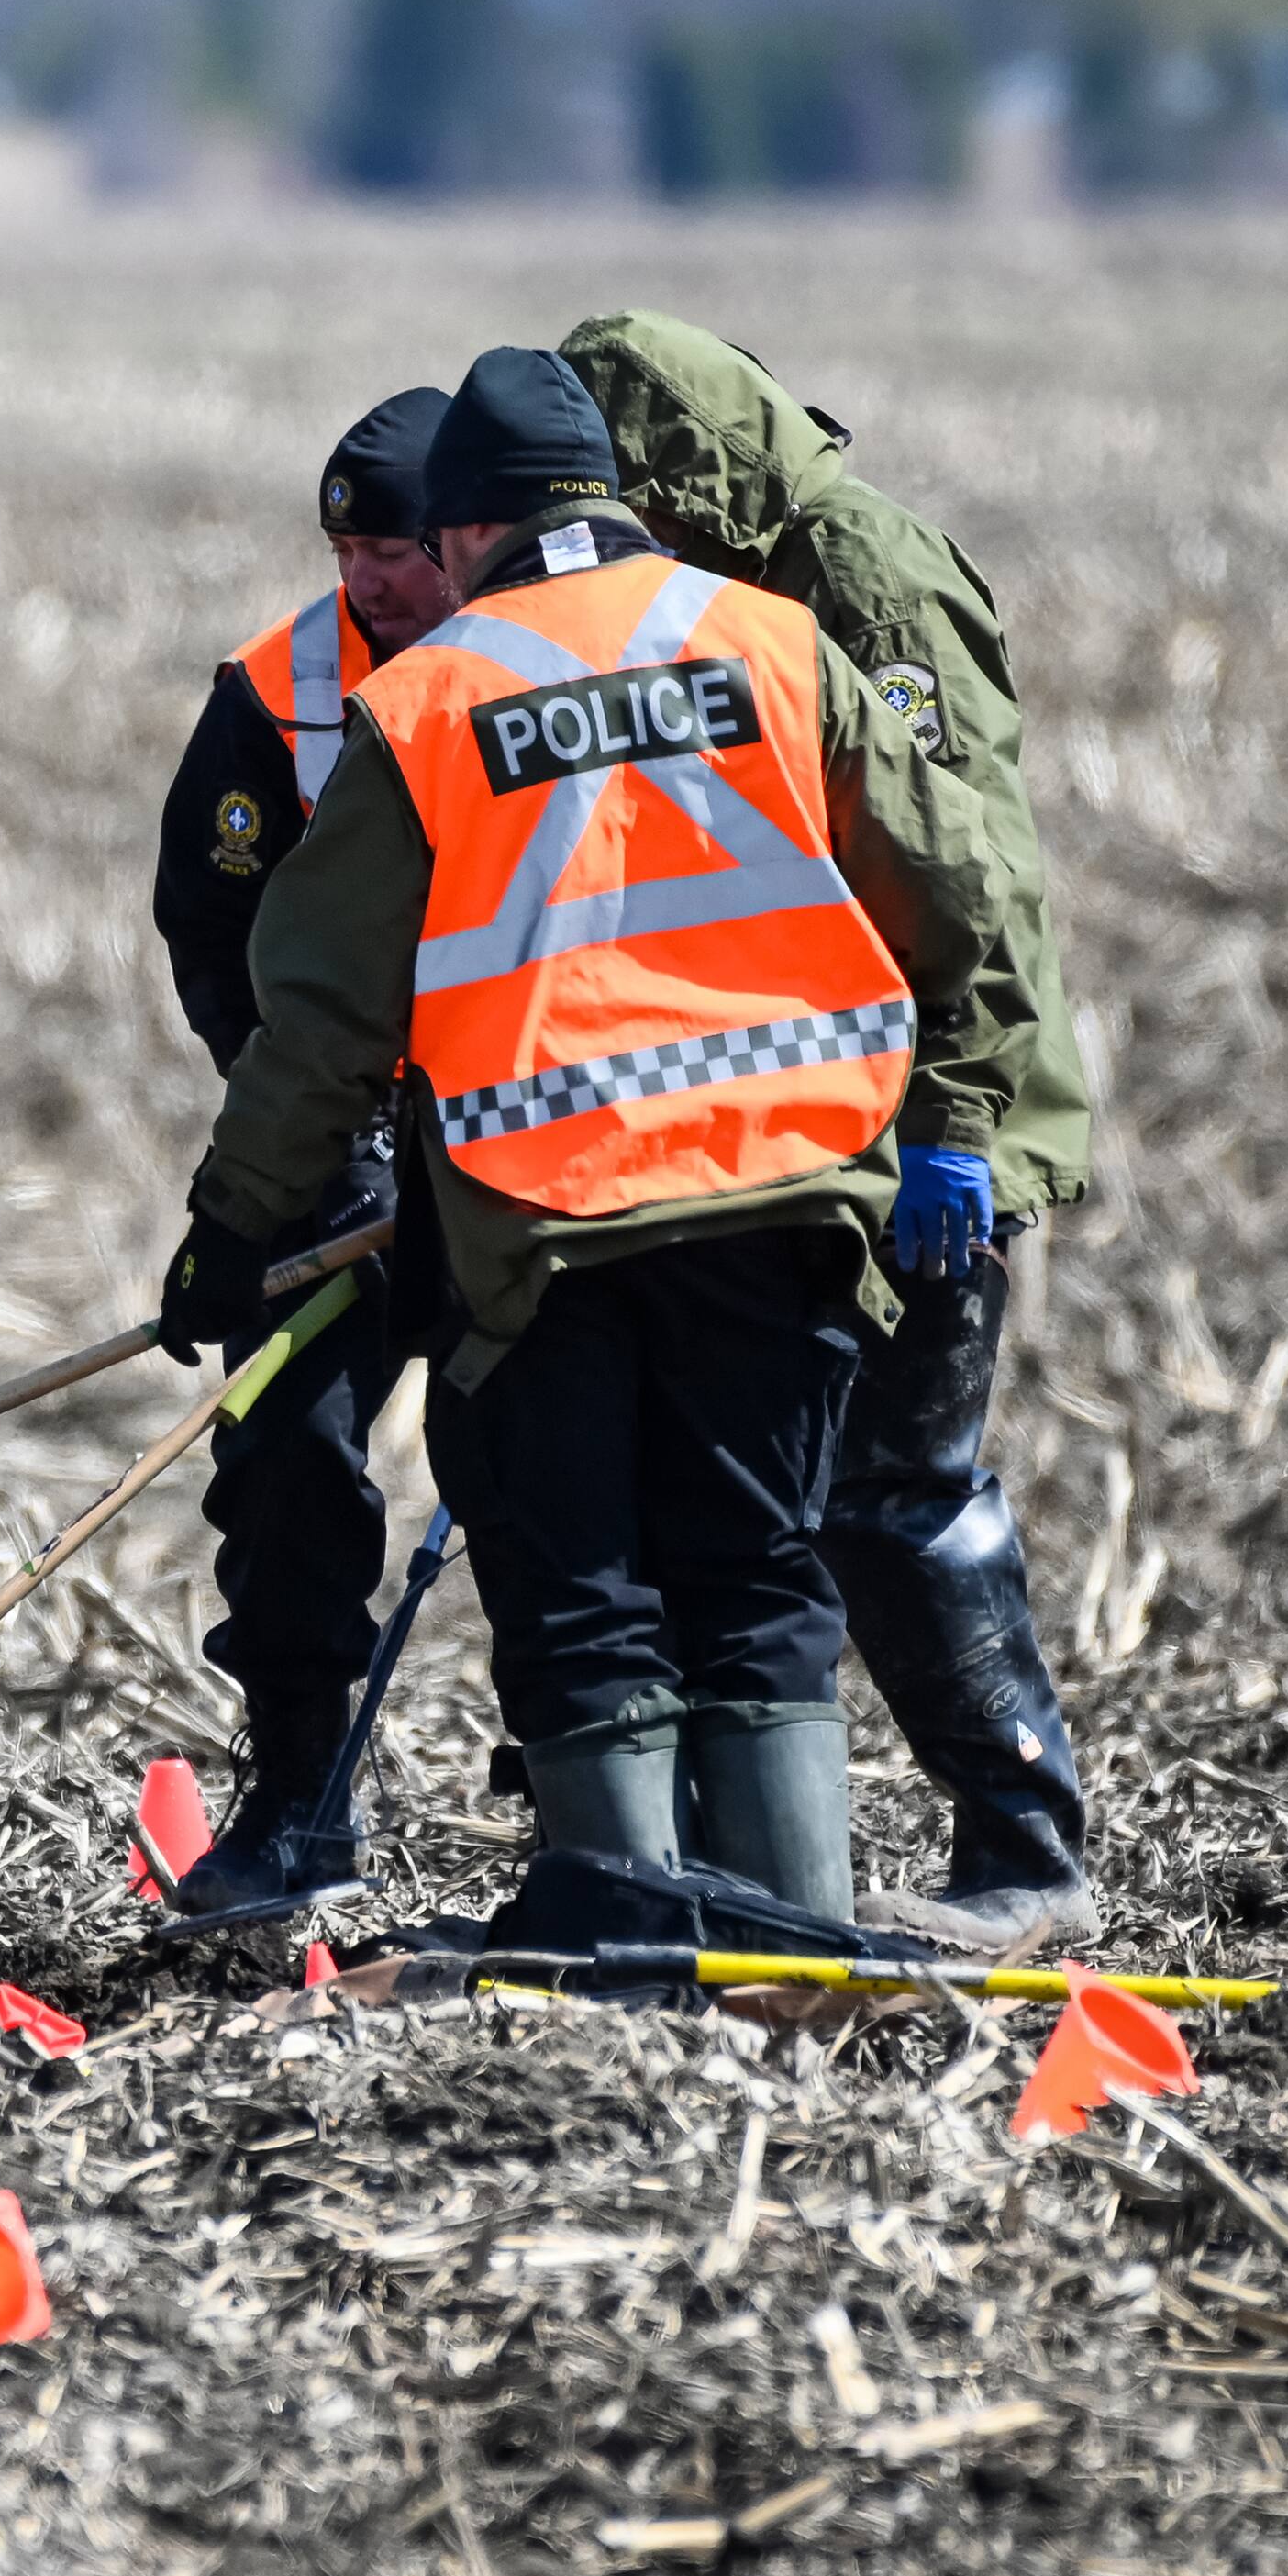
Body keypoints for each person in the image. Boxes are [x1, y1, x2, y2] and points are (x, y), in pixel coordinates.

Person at [161, 347, 1021, 1924]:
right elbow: (963, 896)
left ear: (469, 529)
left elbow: (321, 1021)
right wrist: (958, 1117)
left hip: (546, 1223)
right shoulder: (769, 638)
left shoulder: (426, 701)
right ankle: (800, 1945)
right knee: (764, 1579)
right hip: (785, 1212)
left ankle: (634, 1937)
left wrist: (236, 1226)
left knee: (581, 1599)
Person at [559, 313, 1097, 1947]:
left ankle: (1026, 1860)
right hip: (818, 1125)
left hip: (933, 1131)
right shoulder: (732, 592)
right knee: (769, 1495)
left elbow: (963, 878)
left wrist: (951, 1125)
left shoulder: (854, 571)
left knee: (900, 1490)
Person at [143, 388, 458, 1920]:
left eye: (394, 547)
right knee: (283, 1456)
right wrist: (298, 1124)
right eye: (344, 546)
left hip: (523, 1155)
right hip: (330, 1154)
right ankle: (291, 1800)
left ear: (465, 535)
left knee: (551, 1465)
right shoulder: (274, 694)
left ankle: (594, 1808)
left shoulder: (555, 660)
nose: (367, 580)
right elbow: (208, 926)